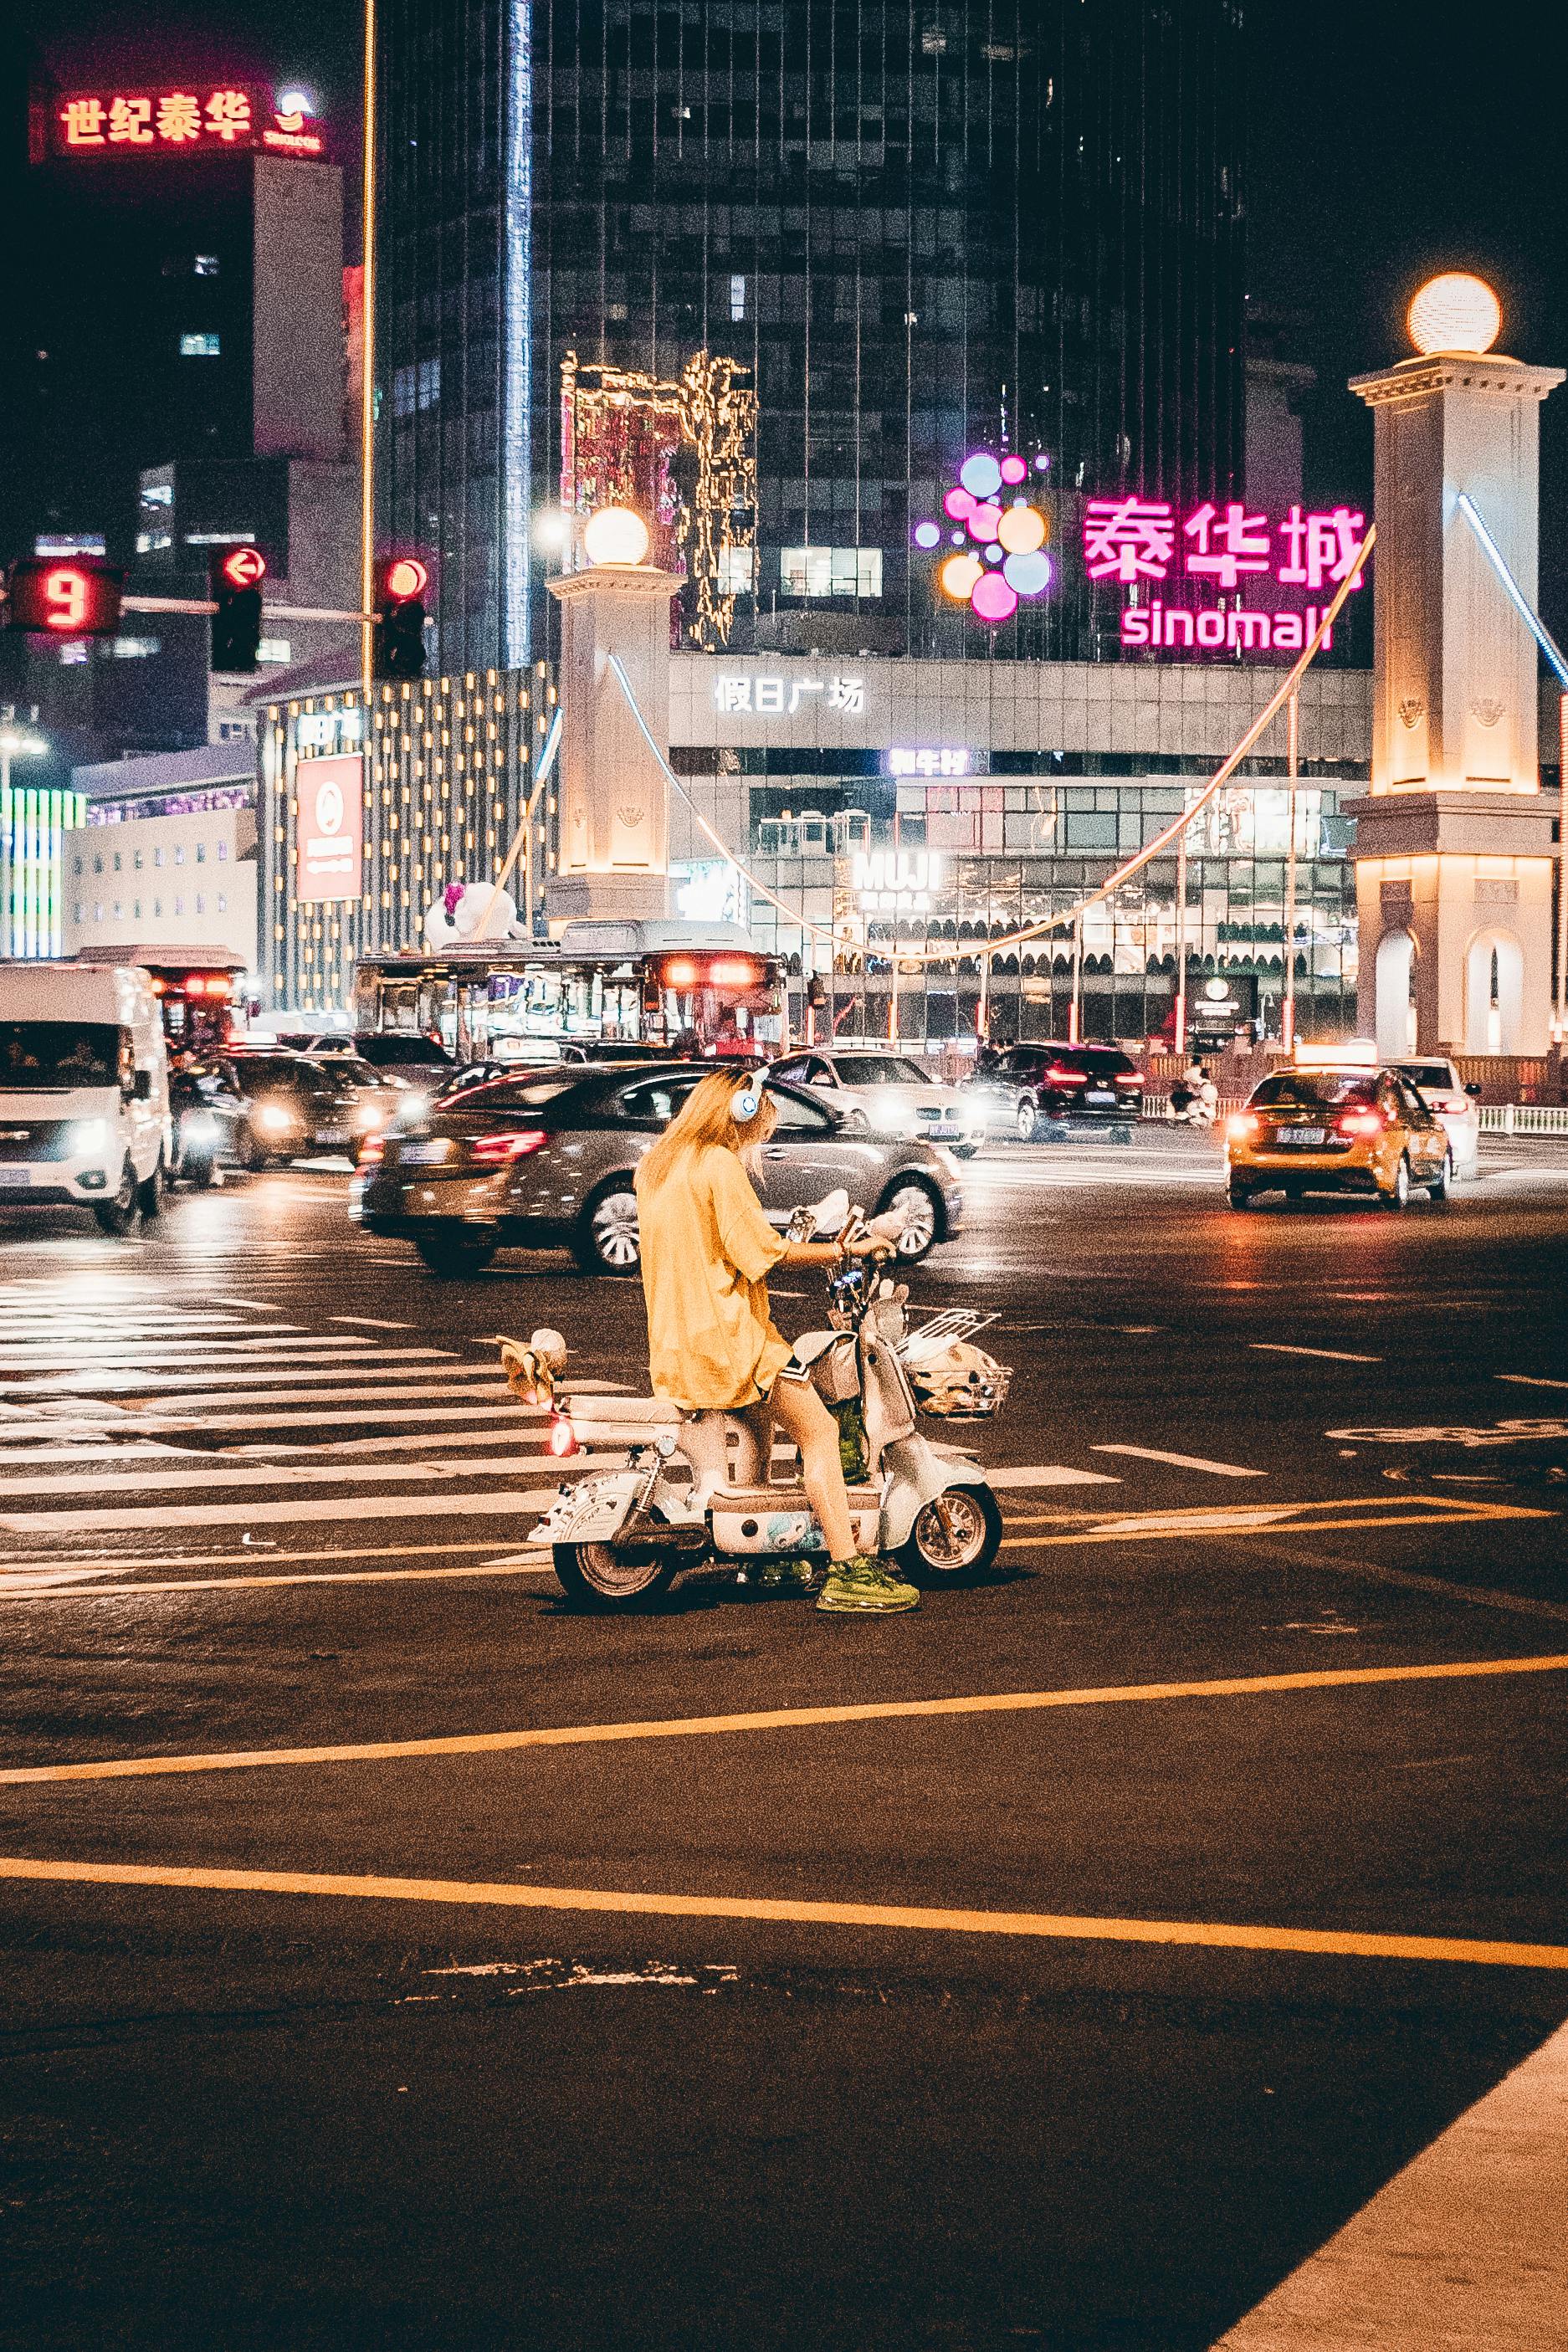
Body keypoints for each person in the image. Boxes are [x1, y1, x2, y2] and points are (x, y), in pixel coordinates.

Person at [634, 1069, 920, 1615]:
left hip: (679, 1339)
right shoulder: (718, 1164)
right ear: (738, 1112)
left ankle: (766, 1558)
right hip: (735, 1339)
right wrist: (849, 1250)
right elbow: (760, 1253)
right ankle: (847, 1568)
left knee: (758, 1429)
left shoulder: (659, 1167)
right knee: (821, 1432)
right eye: (762, 1126)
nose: (762, 1139)